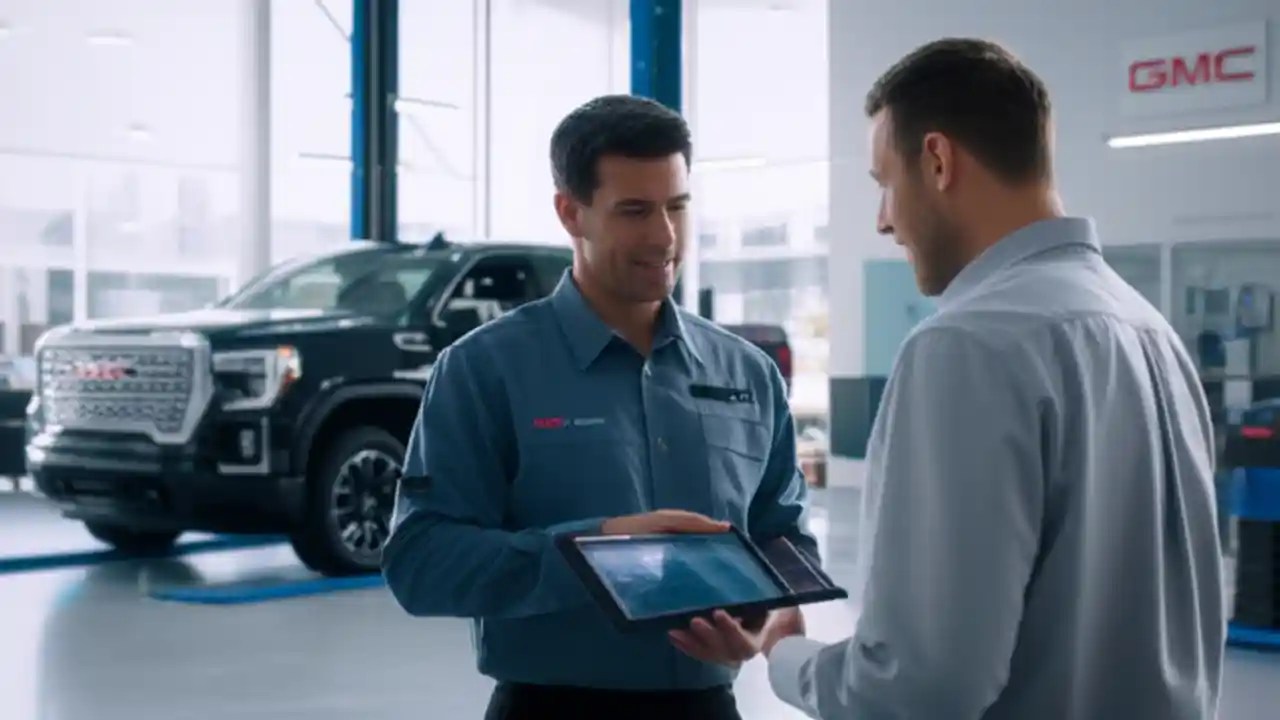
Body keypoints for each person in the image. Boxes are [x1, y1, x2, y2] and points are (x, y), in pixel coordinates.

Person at [679, 38, 1226, 719]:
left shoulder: (966, 343)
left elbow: (921, 688)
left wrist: (783, 657)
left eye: (884, 182)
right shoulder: (1152, 333)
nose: (883, 219)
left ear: (937, 161)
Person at [381, 93, 819, 720]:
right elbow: (421, 564)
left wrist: (767, 618)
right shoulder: (484, 369)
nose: (664, 237)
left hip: (709, 705)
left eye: (677, 207)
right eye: (635, 211)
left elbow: (786, 542)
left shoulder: (746, 372)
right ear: (571, 212)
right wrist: (597, 548)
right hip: (550, 706)